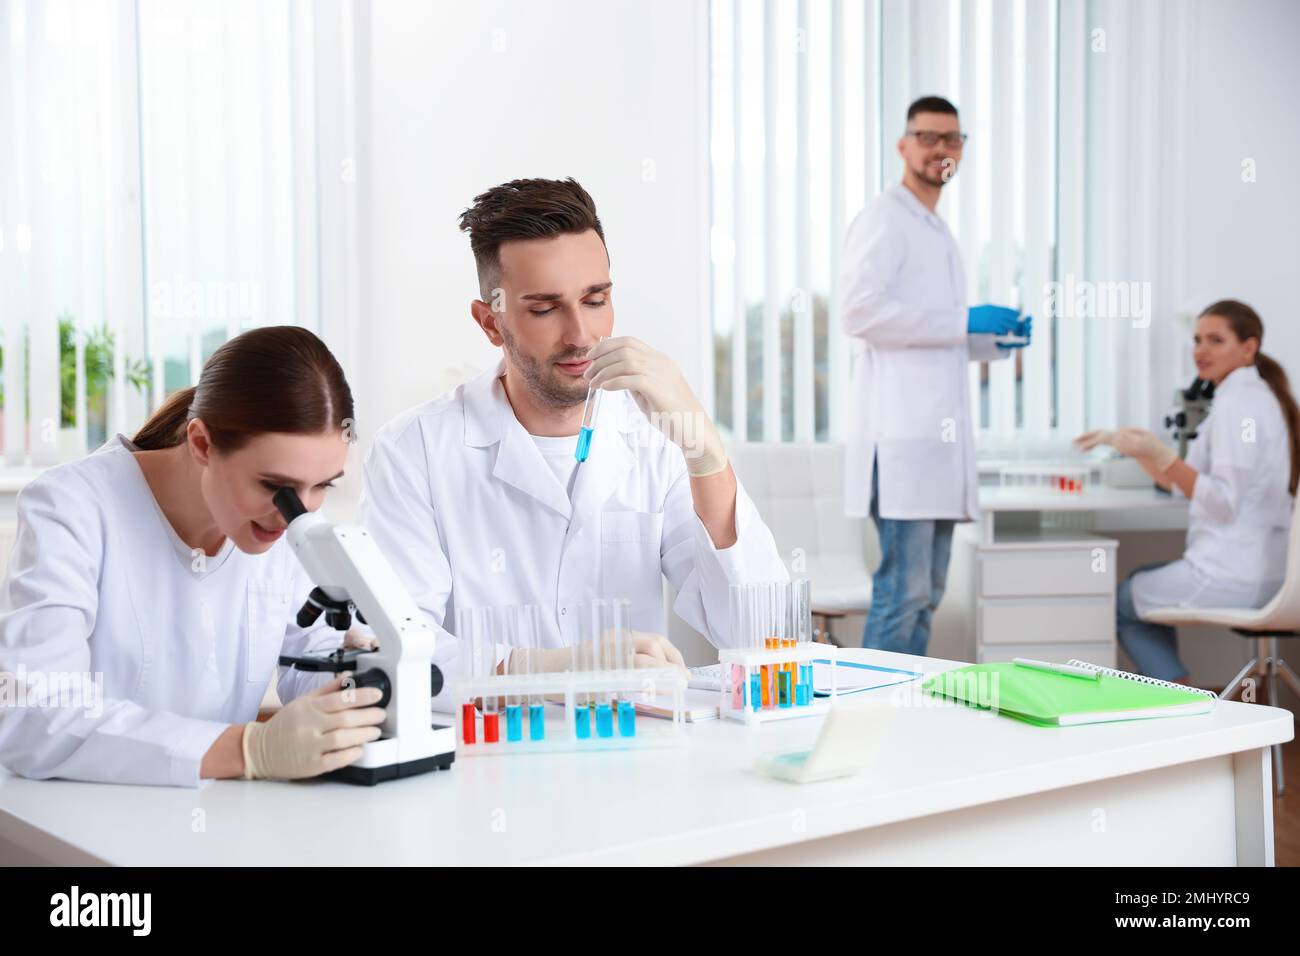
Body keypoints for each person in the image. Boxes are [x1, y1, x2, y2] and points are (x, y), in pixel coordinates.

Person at [359, 177, 787, 691]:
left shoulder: (657, 439)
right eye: (544, 308)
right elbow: (395, 649)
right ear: (490, 322)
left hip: (633, 747)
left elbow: (760, 636)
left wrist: (705, 449)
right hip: (486, 754)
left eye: (594, 300)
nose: (581, 335)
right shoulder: (414, 452)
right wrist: (534, 669)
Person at [0, 326, 385, 786]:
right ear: (202, 443)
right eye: (275, 487)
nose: (296, 514)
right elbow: (35, 716)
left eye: (323, 485)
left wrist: (357, 676)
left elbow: (311, 656)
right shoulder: (72, 507)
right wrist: (251, 749)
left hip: (223, 821)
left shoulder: (289, 530)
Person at [838, 95, 1031, 656]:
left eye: (952, 139)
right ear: (904, 146)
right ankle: (871, 721)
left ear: (962, 150)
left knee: (929, 593)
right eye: (927, 137)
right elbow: (859, 313)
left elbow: (930, 339)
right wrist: (963, 320)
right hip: (900, 442)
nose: (940, 148)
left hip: (936, 447)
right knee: (904, 591)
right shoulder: (885, 218)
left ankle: (906, 720)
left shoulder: (935, 229)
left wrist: (992, 339)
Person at [1076, 300, 1296, 682]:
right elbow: (1185, 485)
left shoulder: (1237, 406)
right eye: (1197, 340)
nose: (1201, 350)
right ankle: (1172, 682)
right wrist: (1138, 450)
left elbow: (1223, 501)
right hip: (1272, 575)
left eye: (1215, 340)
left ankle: (1177, 690)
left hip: (1233, 574)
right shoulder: (1255, 398)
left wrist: (1161, 454)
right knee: (1144, 576)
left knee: (1117, 602)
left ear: (1249, 347)